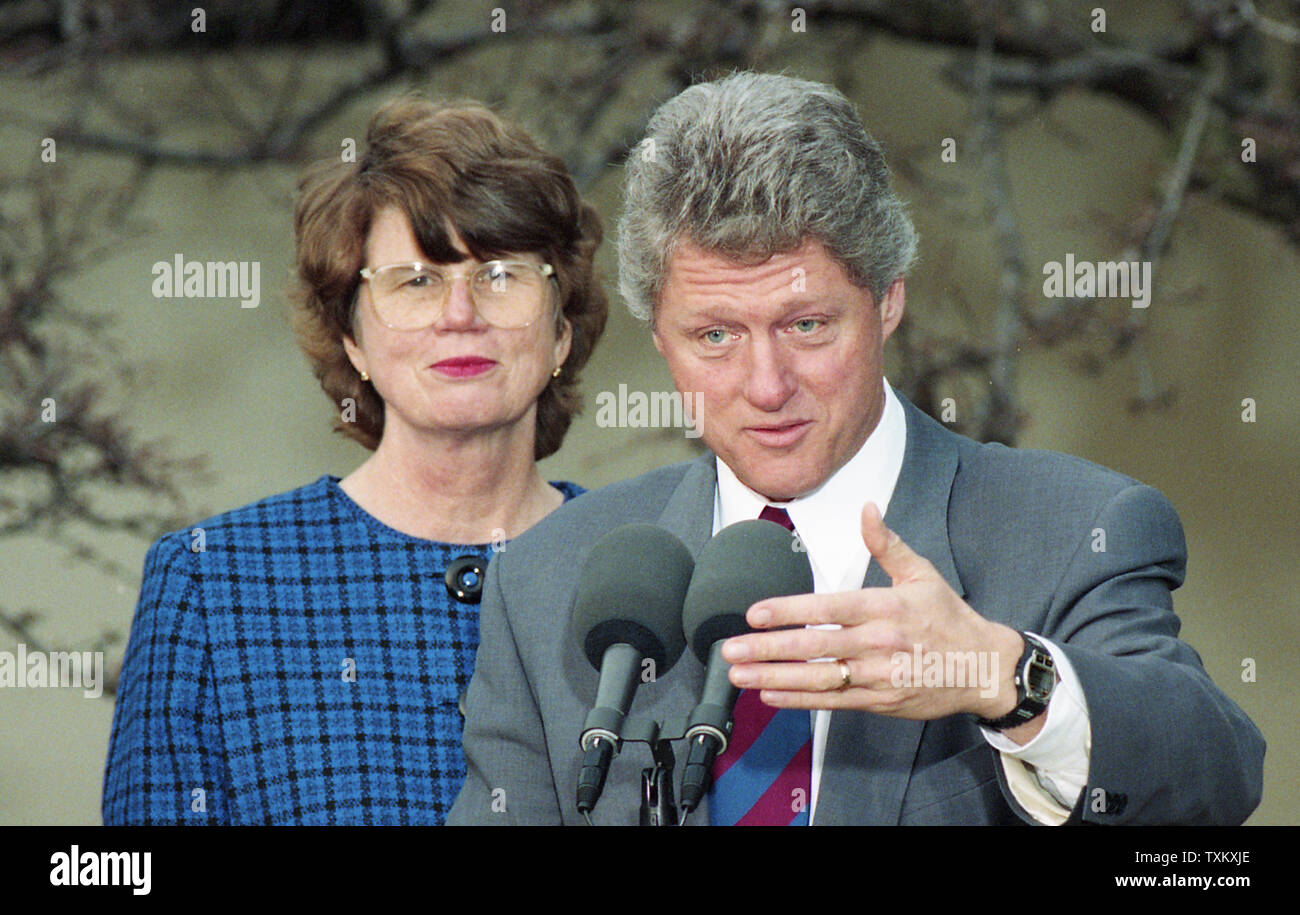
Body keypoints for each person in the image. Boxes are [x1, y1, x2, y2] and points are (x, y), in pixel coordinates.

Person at [448, 72, 1265, 826]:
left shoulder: (1074, 528)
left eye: (807, 325)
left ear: (887, 302)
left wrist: (1005, 677)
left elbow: (1215, 774)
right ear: (659, 334)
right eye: (715, 335)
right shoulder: (548, 577)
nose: (766, 385)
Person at [102, 96, 608, 824]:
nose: (459, 312)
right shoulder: (215, 585)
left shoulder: (647, 573)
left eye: (501, 274)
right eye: (414, 280)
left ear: (560, 331)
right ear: (352, 338)